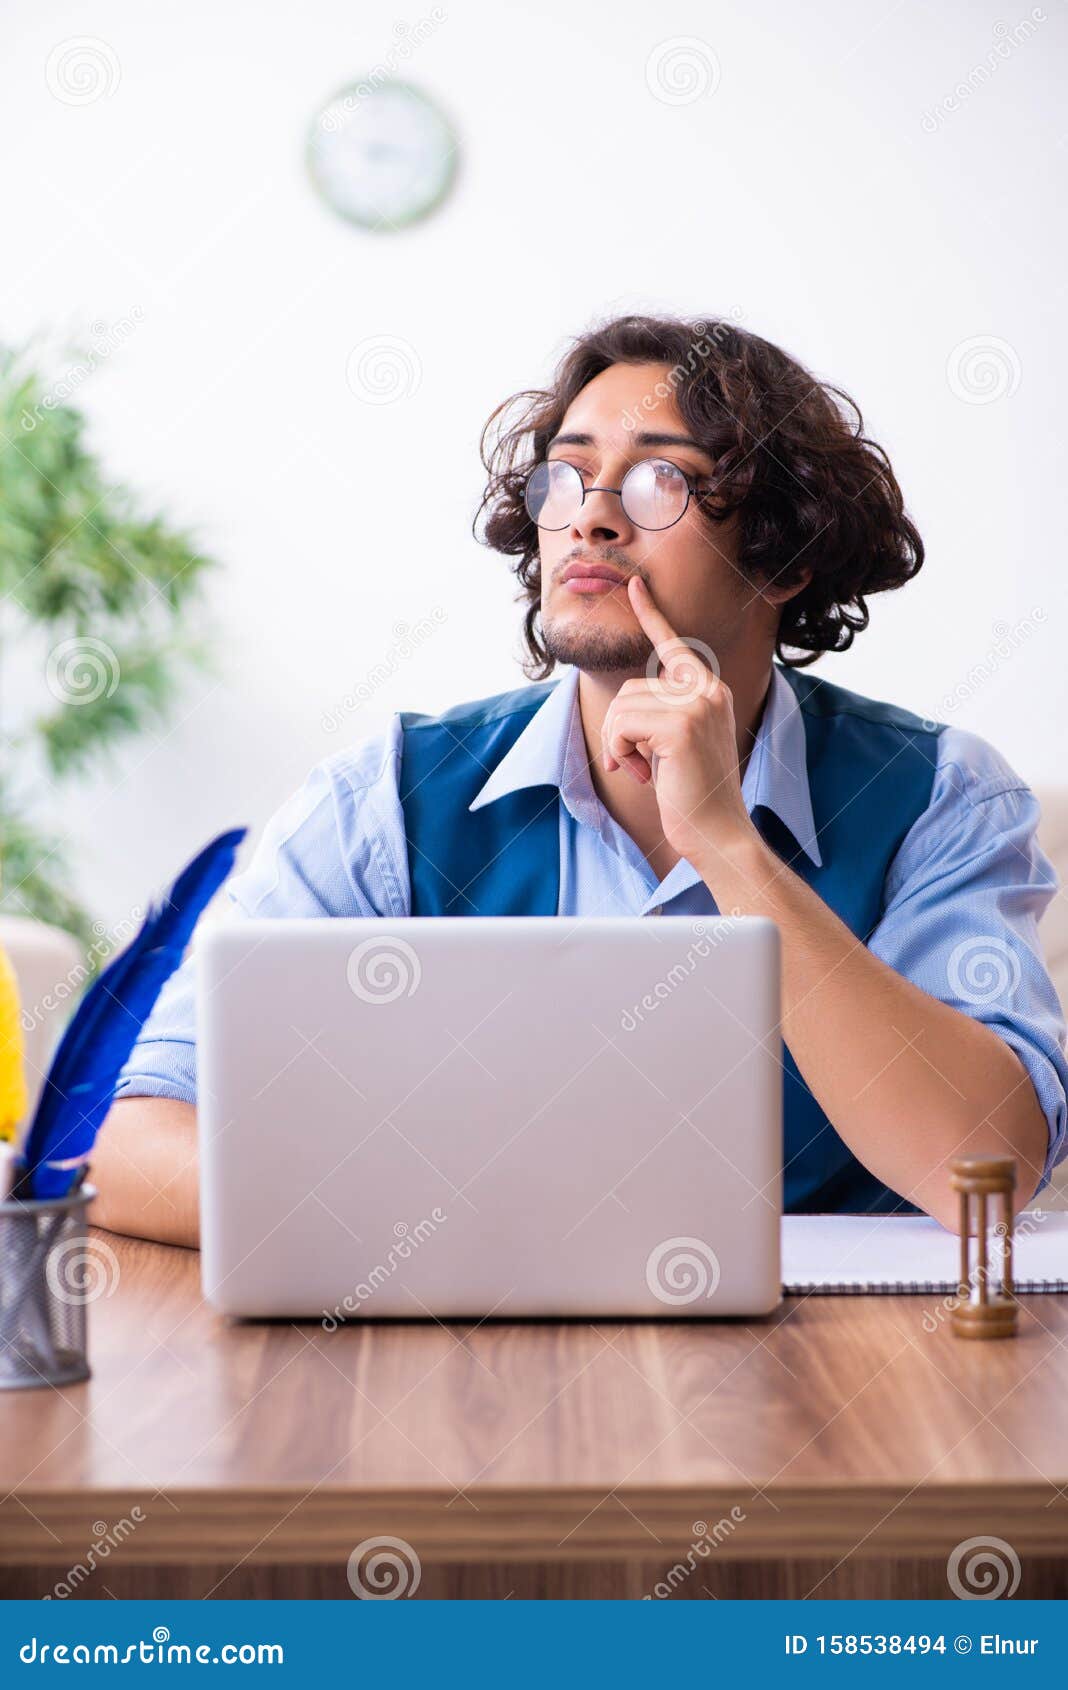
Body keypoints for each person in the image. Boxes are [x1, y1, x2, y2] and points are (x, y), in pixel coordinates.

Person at [90, 314, 1067, 1247]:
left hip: (848, 1381)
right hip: (468, 1377)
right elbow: (129, 1143)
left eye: (658, 481)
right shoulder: (382, 801)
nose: (591, 516)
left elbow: (981, 1170)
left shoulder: (941, 797)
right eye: (568, 476)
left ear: (785, 556)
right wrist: (445, 1237)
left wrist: (731, 849)